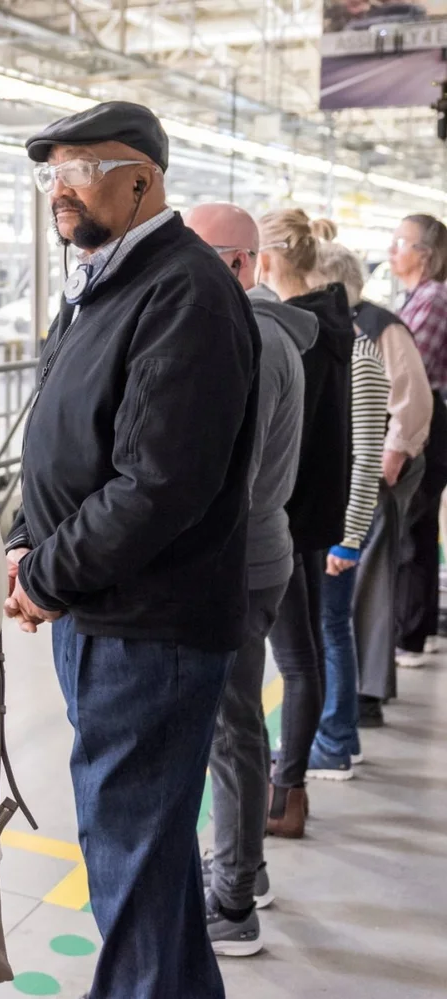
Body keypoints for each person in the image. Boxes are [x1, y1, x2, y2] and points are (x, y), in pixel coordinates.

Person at [6, 102, 259, 998]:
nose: (59, 192)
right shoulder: (103, 284)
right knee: (144, 860)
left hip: (148, 628)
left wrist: (45, 572)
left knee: (131, 862)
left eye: (76, 171)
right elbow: (63, 435)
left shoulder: (184, 291)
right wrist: (25, 538)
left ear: (140, 179)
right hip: (105, 613)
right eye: (50, 175)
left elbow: (159, 484)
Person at [186, 202, 307, 956]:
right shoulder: (263, 330)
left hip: (238, 564)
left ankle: (231, 902)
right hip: (259, 556)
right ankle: (246, 867)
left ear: (233, 264)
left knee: (232, 733)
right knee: (237, 728)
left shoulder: (252, 339)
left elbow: (229, 479)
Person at [307, 235, 430, 777]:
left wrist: (350, 529)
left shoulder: (369, 339)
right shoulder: (346, 337)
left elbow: (400, 415)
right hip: (348, 501)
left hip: (361, 497)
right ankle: (344, 726)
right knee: (340, 616)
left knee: (343, 615)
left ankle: (341, 728)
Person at [252, 208, 352, 838]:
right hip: (317, 509)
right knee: (308, 651)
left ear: (263, 262)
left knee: (296, 658)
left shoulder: (295, 333)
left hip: (287, 514)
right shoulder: (336, 324)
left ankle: (286, 793)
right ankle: (292, 785)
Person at [392, 213, 447, 704]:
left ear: (423, 255)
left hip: (426, 426)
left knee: (411, 529)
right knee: (421, 531)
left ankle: (409, 634)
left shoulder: (431, 302)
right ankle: (419, 627)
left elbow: (412, 378)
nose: (393, 252)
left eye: (400, 243)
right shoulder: (419, 299)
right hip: (431, 421)